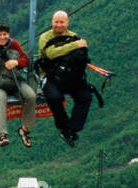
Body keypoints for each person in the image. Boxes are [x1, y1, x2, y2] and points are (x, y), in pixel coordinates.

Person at [38, 10, 95, 148]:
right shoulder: (45, 37)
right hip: (50, 76)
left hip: (71, 77)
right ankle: (63, 126)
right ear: (52, 22)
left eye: (61, 22)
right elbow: (51, 53)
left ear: (67, 23)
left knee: (85, 96)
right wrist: (75, 46)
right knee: (54, 97)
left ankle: (71, 129)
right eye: (56, 22)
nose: (58, 25)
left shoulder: (73, 36)